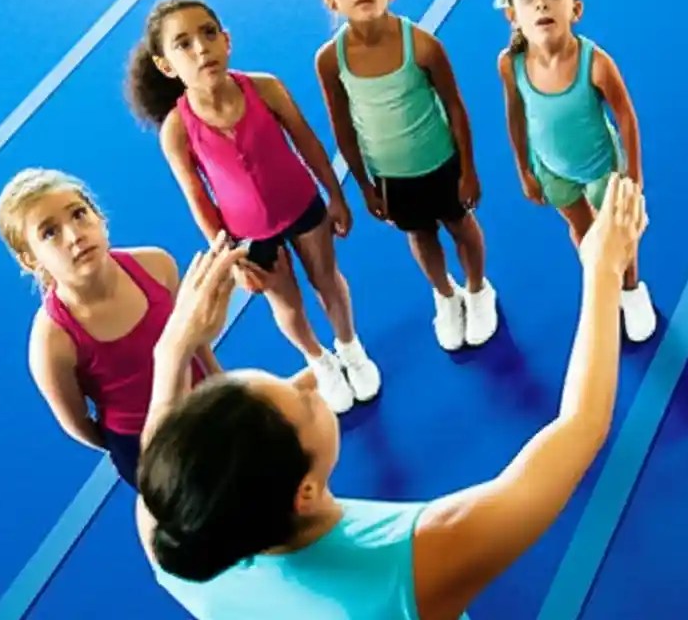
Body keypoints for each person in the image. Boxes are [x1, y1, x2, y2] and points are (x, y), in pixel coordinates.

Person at [133, 174, 647, 620]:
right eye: (303, 401)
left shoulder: (183, 540)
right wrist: (602, 269)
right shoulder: (410, 567)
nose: (308, 381)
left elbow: (161, 461)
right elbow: (581, 428)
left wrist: (174, 348)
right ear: (304, 492)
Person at [125, 0, 379, 414]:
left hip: (302, 206)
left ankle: (350, 347)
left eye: (208, 34)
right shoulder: (177, 129)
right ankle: (320, 361)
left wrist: (335, 195)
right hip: (250, 234)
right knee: (287, 304)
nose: (201, 48)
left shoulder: (264, 88)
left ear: (227, 41)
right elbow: (198, 198)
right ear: (166, 65)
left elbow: (307, 142)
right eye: (183, 44)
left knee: (327, 280)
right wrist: (231, 259)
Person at [315, 0, 498, 351]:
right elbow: (342, 126)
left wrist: (468, 170)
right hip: (390, 175)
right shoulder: (329, 60)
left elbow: (454, 107)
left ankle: (477, 289)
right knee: (420, 234)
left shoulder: (423, 46)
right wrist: (365, 185)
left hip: (440, 162)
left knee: (461, 226)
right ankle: (445, 295)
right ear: (331, 0)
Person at [0, 167, 215, 489]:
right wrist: (130, 446)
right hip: (147, 447)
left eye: (79, 214)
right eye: (50, 232)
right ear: (30, 260)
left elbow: (192, 339)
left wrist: (219, 378)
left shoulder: (156, 266)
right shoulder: (52, 342)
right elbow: (78, 423)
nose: (75, 236)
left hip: (207, 404)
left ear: (99, 217)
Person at [495, 0, 656, 343]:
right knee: (581, 227)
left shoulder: (595, 63)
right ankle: (602, 284)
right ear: (513, 15)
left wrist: (633, 177)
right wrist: (524, 169)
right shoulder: (511, 64)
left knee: (618, 233)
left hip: (601, 167)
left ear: (575, 9)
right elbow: (515, 116)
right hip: (552, 168)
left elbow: (626, 117)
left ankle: (631, 290)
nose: (541, 3)